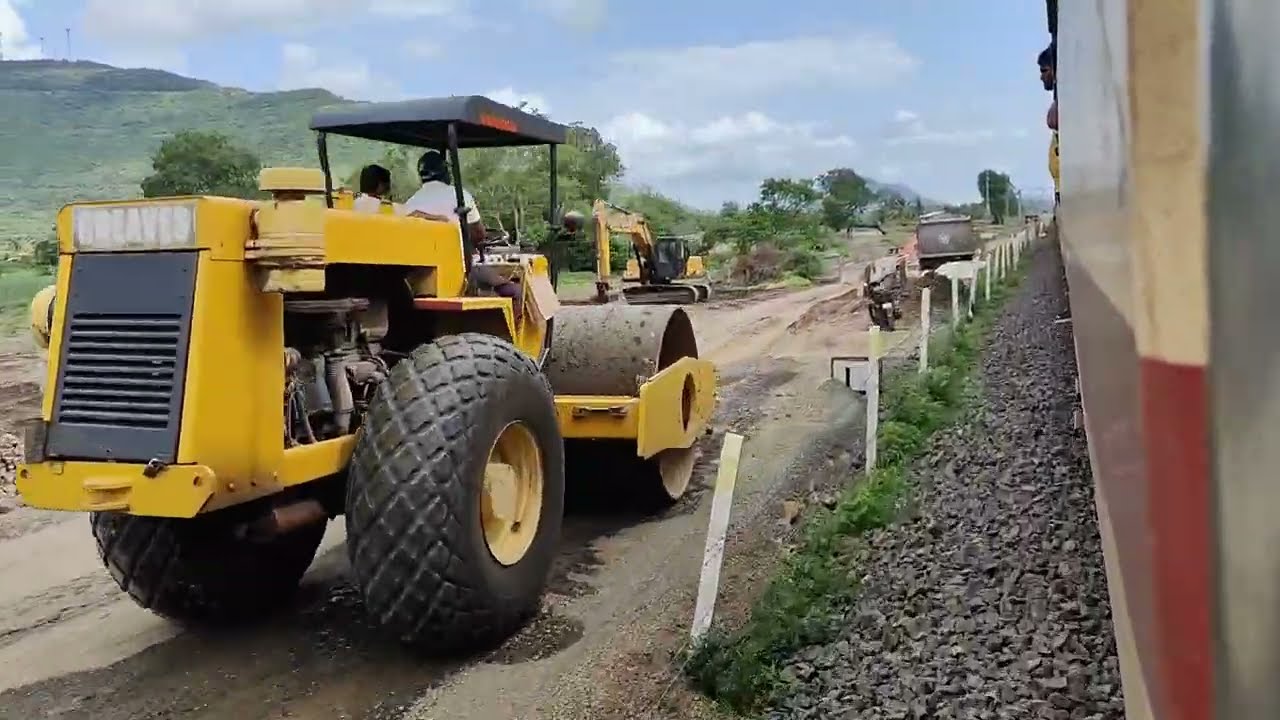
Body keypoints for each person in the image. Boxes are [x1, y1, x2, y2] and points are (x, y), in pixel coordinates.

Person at [400, 150, 522, 313]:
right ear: (445, 172)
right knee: (513, 290)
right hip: (458, 269)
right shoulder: (459, 196)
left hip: (418, 276)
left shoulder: (410, 204)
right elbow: (478, 235)